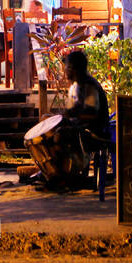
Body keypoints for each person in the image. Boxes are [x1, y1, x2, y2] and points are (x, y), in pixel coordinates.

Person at [35, 49, 110, 189]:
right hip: (82, 126)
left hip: (93, 131)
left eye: (67, 67)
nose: (65, 71)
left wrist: (68, 119)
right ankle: (52, 173)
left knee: (58, 135)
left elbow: (91, 116)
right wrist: (60, 117)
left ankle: (64, 176)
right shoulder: (76, 86)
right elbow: (71, 112)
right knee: (45, 120)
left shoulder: (89, 85)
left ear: (73, 69)